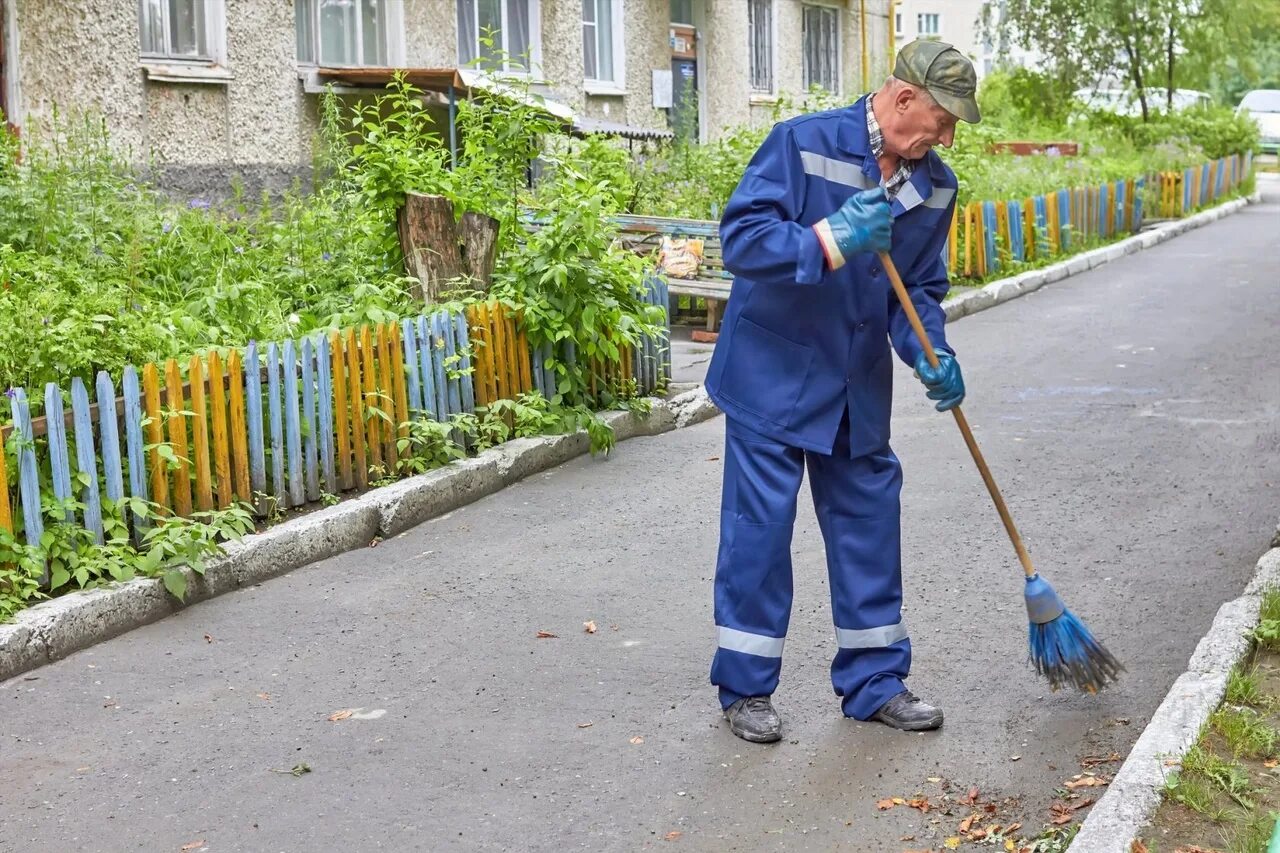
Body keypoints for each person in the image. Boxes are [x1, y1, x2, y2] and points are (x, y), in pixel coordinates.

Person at [703, 40, 981, 743]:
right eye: (942, 119)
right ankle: (745, 687)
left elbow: (915, 290)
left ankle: (875, 681)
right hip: (773, 376)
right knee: (759, 534)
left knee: (868, 525)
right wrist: (828, 238)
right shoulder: (800, 144)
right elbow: (741, 239)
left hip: (855, 385)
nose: (946, 137)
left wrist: (931, 351)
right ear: (904, 97)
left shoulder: (935, 186)